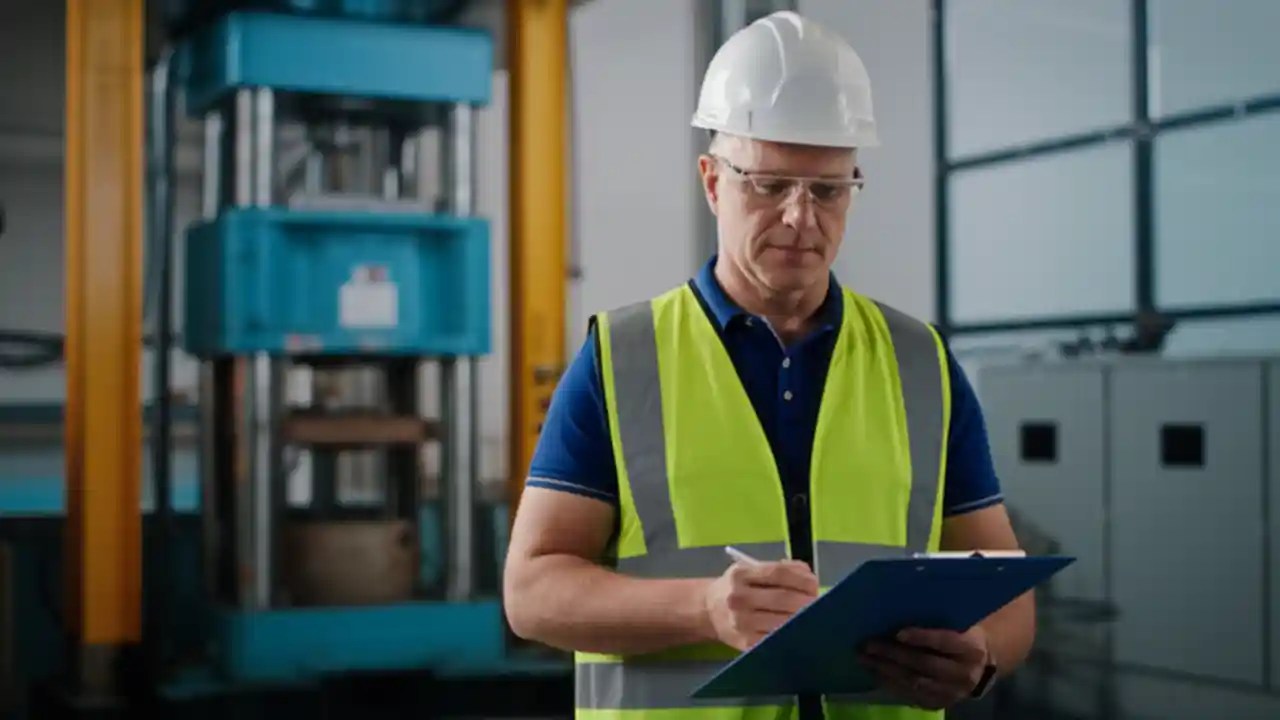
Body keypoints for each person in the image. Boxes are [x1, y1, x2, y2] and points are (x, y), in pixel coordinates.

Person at [503, 10, 1034, 719]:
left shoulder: (921, 363)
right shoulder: (621, 359)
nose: (799, 218)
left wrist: (981, 656)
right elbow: (531, 591)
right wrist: (701, 608)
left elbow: (1010, 594)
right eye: (769, 184)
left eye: (827, 190)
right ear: (713, 182)